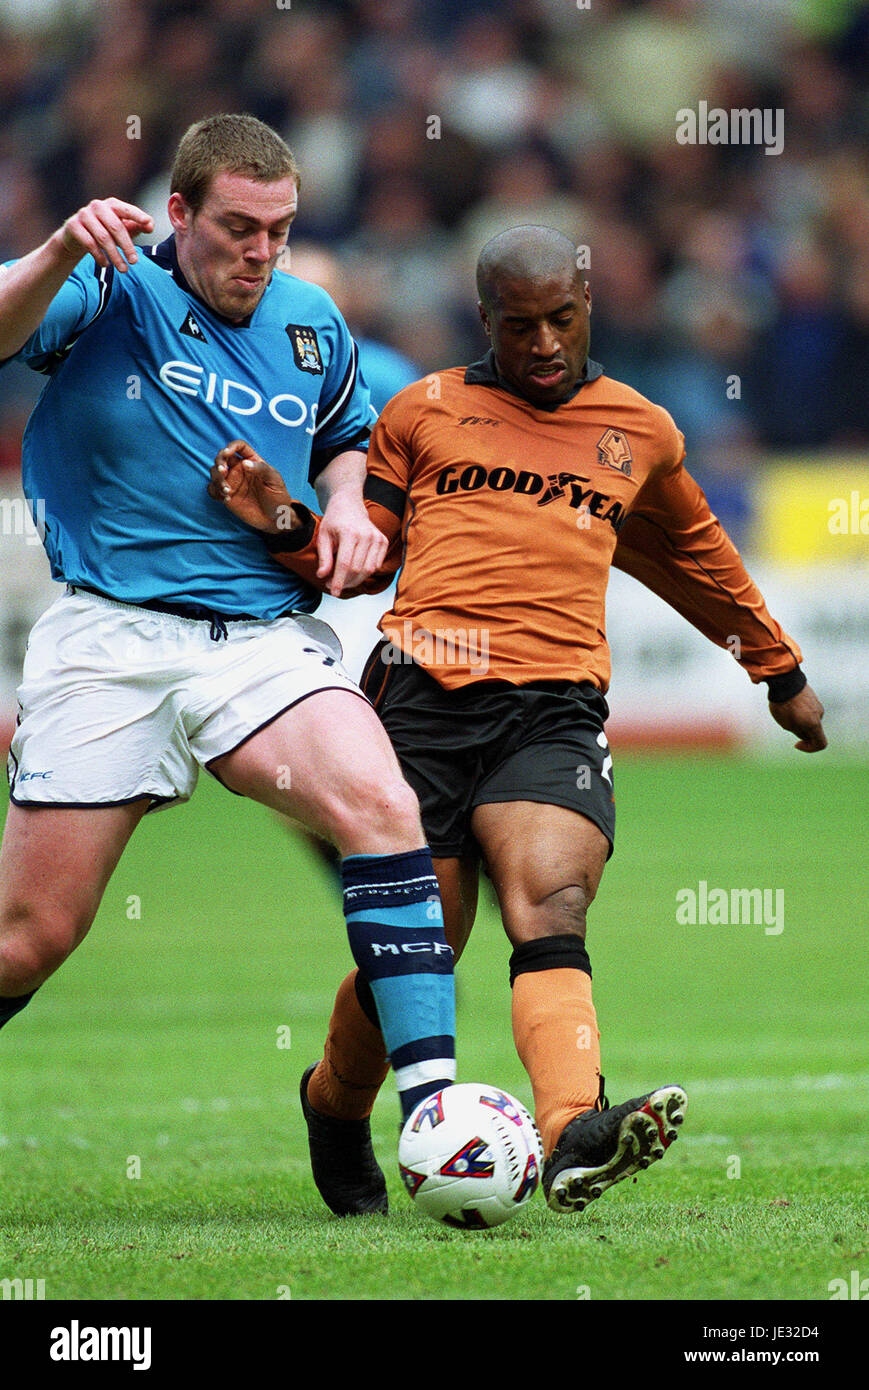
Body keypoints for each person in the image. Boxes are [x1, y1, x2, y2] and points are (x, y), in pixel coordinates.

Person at [209, 224, 827, 1219]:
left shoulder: (641, 430)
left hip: (555, 706)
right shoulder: (422, 410)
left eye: (561, 320)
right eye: (518, 324)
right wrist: (283, 521)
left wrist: (778, 669)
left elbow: (697, 555)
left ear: (588, 304)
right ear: (483, 317)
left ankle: (571, 1132)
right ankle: (333, 1104)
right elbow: (361, 555)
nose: (542, 342)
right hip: (419, 695)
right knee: (428, 940)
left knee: (551, 903)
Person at [0, 114, 459, 1216]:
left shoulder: (310, 321)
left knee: (381, 803)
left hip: (258, 638)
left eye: (280, 231)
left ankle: (434, 1116)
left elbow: (351, 433)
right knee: (31, 937)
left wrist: (346, 505)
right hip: (111, 639)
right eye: (238, 229)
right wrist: (60, 245)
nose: (260, 254)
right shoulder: (107, 286)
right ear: (179, 218)